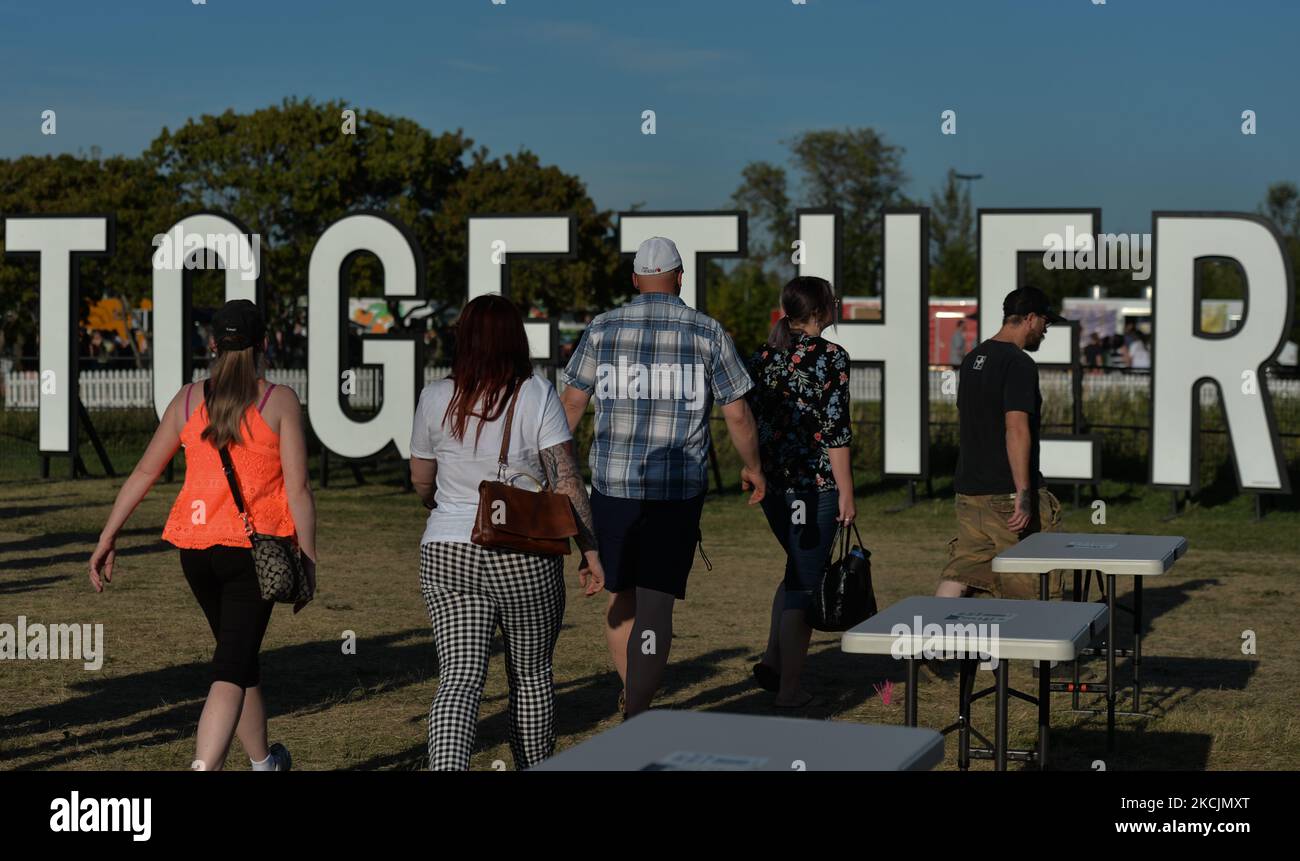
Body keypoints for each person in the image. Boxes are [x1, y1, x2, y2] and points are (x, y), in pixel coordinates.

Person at [89, 299, 316, 771]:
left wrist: (107, 536)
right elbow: (298, 487)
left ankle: (263, 761)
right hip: (252, 555)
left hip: (195, 554)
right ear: (265, 345)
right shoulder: (280, 401)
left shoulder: (188, 399)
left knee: (239, 653)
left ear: (212, 345)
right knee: (230, 669)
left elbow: (144, 473)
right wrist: (308, 560)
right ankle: (203, 767)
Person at [559, 236, 765, 719]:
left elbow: (571, 404)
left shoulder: (602, 328)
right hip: (676, 492)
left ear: (635, 280)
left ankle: (634, 695)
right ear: (679, 279)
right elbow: (737, 415)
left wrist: (552, 470)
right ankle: (640, 709)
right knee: (656, 605)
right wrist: (754, 468)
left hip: (612, 485)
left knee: (619, 595)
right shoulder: (707, 332)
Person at [409, 295, 604, 770]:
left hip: (448, 552)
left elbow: (420, 478)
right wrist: (590, 549)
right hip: (525, 555)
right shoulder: (537, 393)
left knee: (458, 678)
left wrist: (440, 506)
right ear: (516, 338)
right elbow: (566, 479)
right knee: (533, 676)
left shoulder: (436, 396)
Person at [747, 277, 854, 708]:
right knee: (805, 587)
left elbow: (748, 420)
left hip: (774, 487)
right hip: (816, 488)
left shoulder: (763, 356)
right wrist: (847, 492)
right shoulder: (832, 358)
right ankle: (790, 690)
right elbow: (835, 432)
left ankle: (774, 662)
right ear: (821, 310)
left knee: (797, 570)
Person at [936, 286, 1064, 600]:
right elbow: (1016, 428)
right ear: (1031, 318)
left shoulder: (972, 358)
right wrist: (1023, 492)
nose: (1046, 330)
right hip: (1005, 493)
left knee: (962, 571)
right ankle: (1027, 647)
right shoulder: (1018, 363)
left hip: (969, 490)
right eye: (1045, 323)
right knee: (1027, 582)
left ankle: (930, 642)